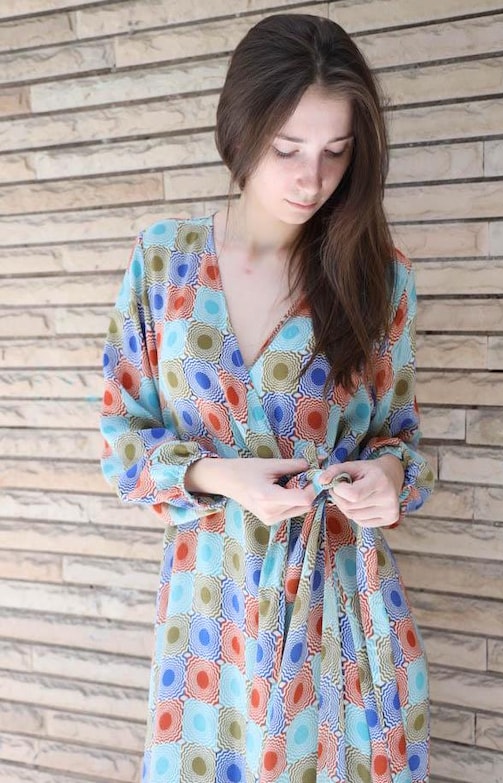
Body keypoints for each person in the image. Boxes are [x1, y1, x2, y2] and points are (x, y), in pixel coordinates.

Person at [100, 12, 435, 783]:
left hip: (337, 609)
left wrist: (389, 478)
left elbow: (399, 437)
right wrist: (220, 475)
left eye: (335, 151)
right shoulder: (165, 264)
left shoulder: (379, 277)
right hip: (207, 619)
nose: (312, 178)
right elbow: (122, 439)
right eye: (287, 149)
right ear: (241, 132)